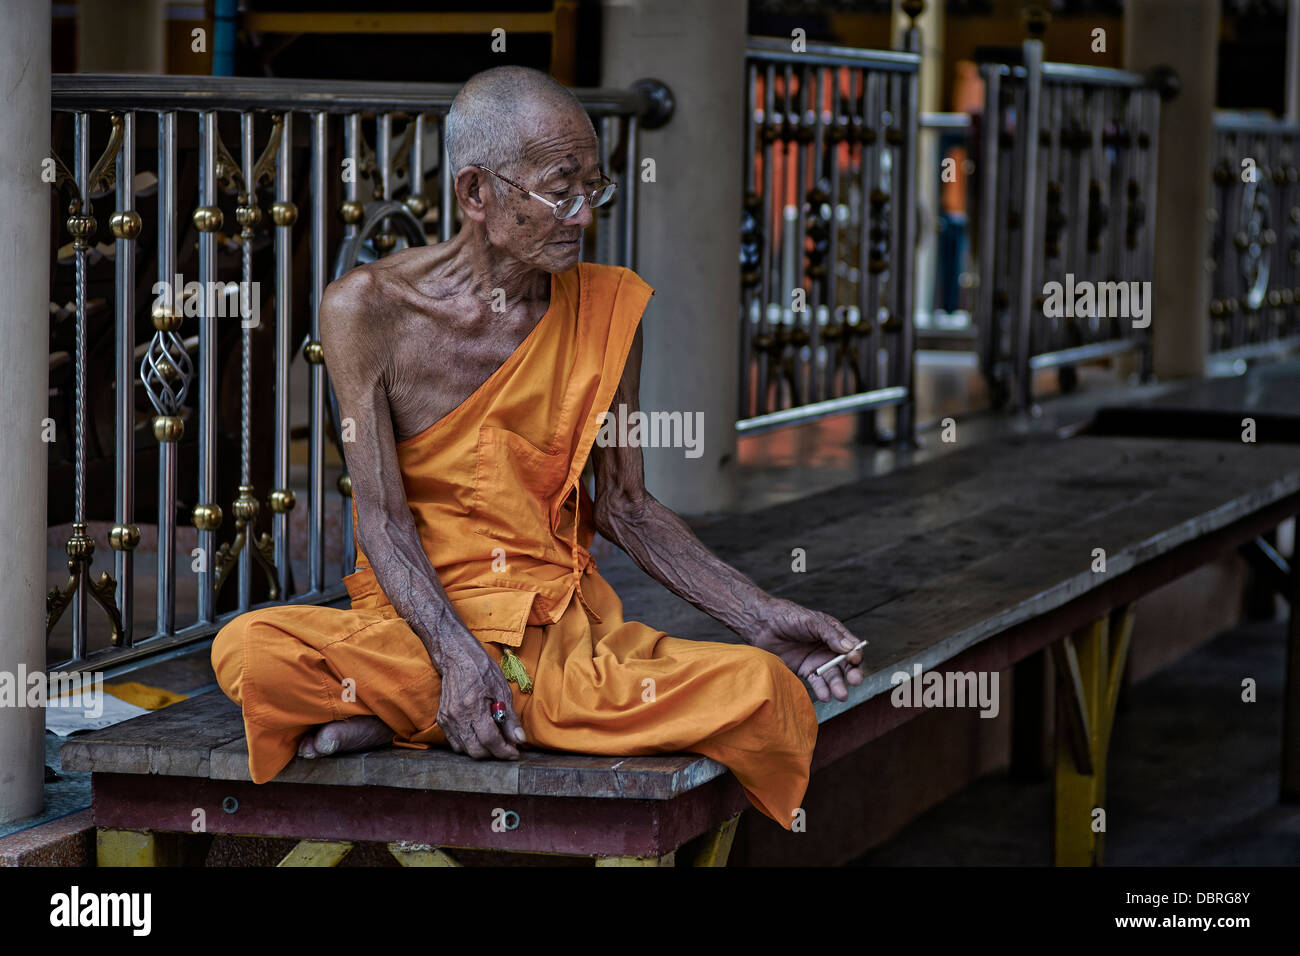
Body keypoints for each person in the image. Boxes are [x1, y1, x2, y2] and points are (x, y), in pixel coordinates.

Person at [211, 65, 865, 831]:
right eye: (562, 190)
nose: (582, 215)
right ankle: (464, 700)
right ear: (475, 194)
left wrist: (758, 615)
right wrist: (456, 655)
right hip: (420, 624)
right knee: (248, 649)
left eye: (596, 189)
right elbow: (383, 523)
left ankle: (420, 713)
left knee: (764, 689)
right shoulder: (368, 311)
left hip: (560, 641)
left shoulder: (609, 308)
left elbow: (625, 504)